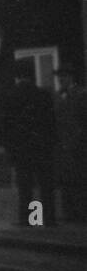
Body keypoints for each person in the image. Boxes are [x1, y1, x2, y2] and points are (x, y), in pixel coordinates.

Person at [0, 59, 57, 227]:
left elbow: (6, 127)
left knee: (26, 186)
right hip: (42, 148)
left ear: (17, 76)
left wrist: (9, 149)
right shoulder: (44, 95)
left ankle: (30, 219)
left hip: (21, 150)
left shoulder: (11, 95)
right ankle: (48, 219)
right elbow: (51, 123)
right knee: (45, 184)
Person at [53, 66, 87, 223]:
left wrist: (77, 140)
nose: (60, 80)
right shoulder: (58, 96)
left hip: (78, 146)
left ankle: (81, 214)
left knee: (79, 180)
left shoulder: (82, 95)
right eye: (59, 77)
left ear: (71, 77)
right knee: (65, 180)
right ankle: (69, 213)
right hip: (62, 146)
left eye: (63, 76)